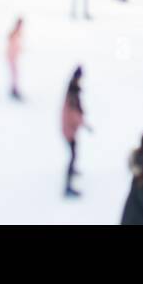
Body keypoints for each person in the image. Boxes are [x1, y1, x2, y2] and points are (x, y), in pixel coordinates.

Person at [62, 66, 89, 197]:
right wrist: (84, 124)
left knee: (73, 154)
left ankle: (71, 172)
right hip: (69, 129)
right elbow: (73, 115)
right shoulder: (73, 95)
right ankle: (67, 186)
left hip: (70, 128)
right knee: (72, 155)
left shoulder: (72, 90)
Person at [6, 17, 24, 101]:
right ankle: (14, 90)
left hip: (13, 56)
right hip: (11, 57)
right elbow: (12, 42)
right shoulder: (14, 32)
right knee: (15, 73)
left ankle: (14, 89)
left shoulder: (18, 32)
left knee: (15, 73)